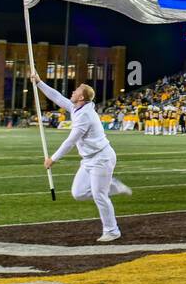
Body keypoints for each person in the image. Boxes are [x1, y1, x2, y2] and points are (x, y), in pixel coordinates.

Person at [32, 72, 131, 243]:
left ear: (82, 97)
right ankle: (113, 186)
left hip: (102, 158)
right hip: (88, 160)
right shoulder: (77, 108)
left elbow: (71, 141)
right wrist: (39, 83)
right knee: (78, 193)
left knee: (99, 195)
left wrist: (53, 159)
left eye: (77, 90)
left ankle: (112, 230)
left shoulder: (85, 116)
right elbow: (58, 97)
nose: (73, 92)